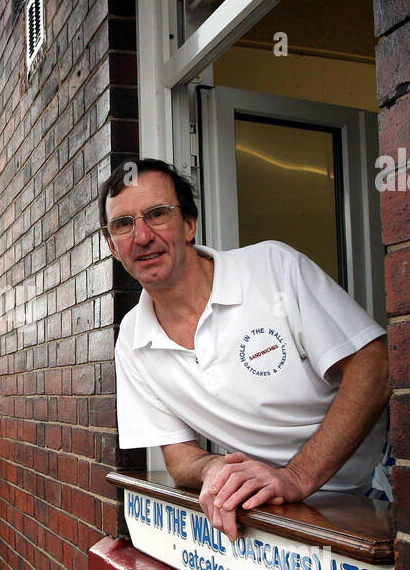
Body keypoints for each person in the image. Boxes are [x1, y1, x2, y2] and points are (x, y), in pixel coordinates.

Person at [102, 158, 392, 543]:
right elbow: (179, 457)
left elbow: (374, 366)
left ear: (189, 224)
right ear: (112, 246)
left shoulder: (273, 267)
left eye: (157, 214)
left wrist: (297, 476)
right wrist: (216, 471)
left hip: (384, 487)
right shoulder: (133, 340)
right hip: (282, 511)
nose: (141, 236)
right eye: (123, 224)